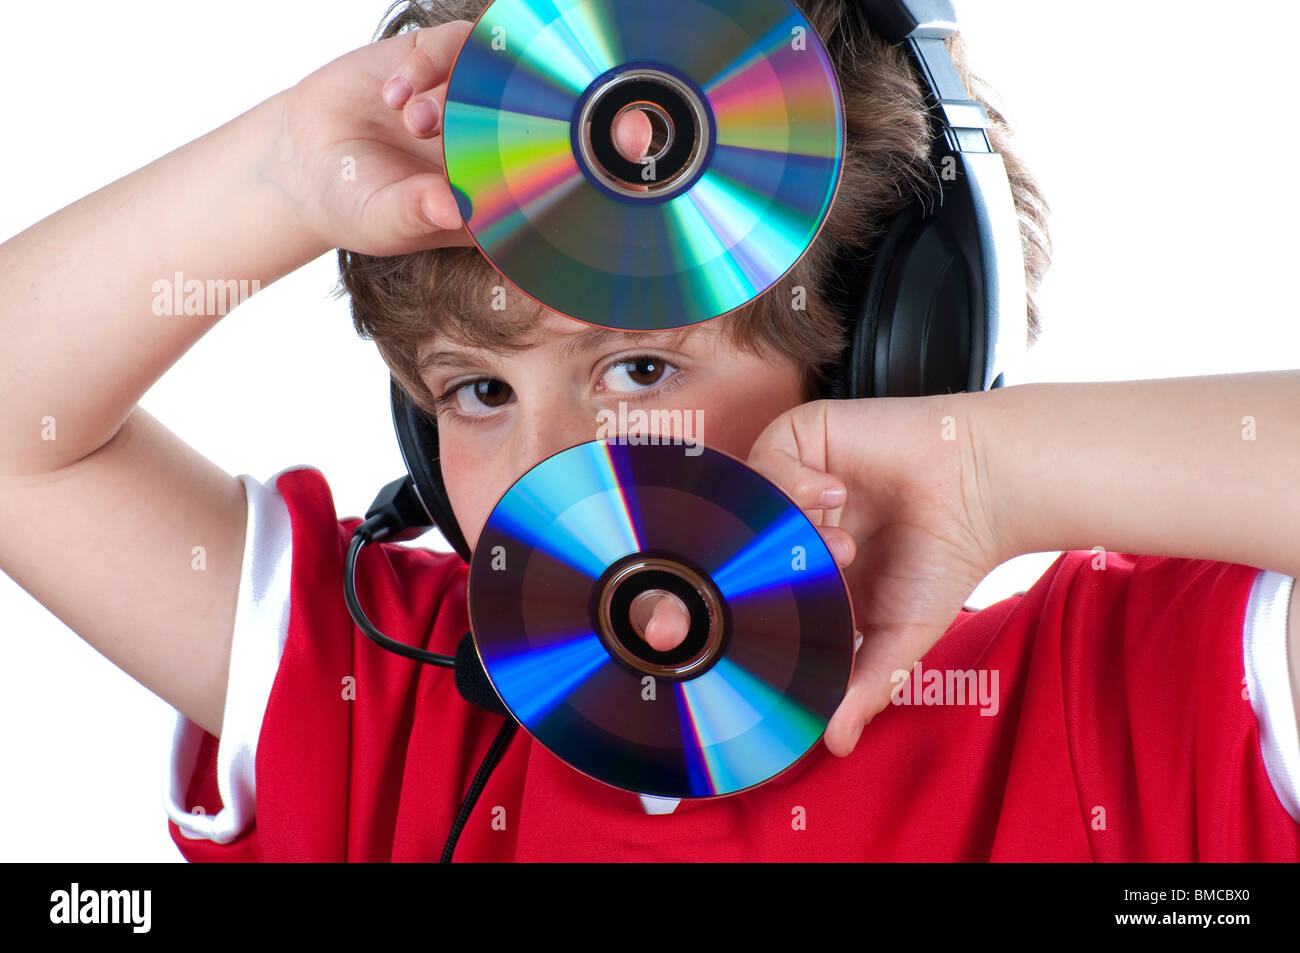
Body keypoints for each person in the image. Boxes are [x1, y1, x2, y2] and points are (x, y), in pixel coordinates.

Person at [0, 0, 1295, 861]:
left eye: (634, 363)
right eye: (476, 391)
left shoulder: (1128, 700)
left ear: (887, 362)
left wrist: (992, 472)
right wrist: (285, 171)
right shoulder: (391, 706)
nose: (546, 463)